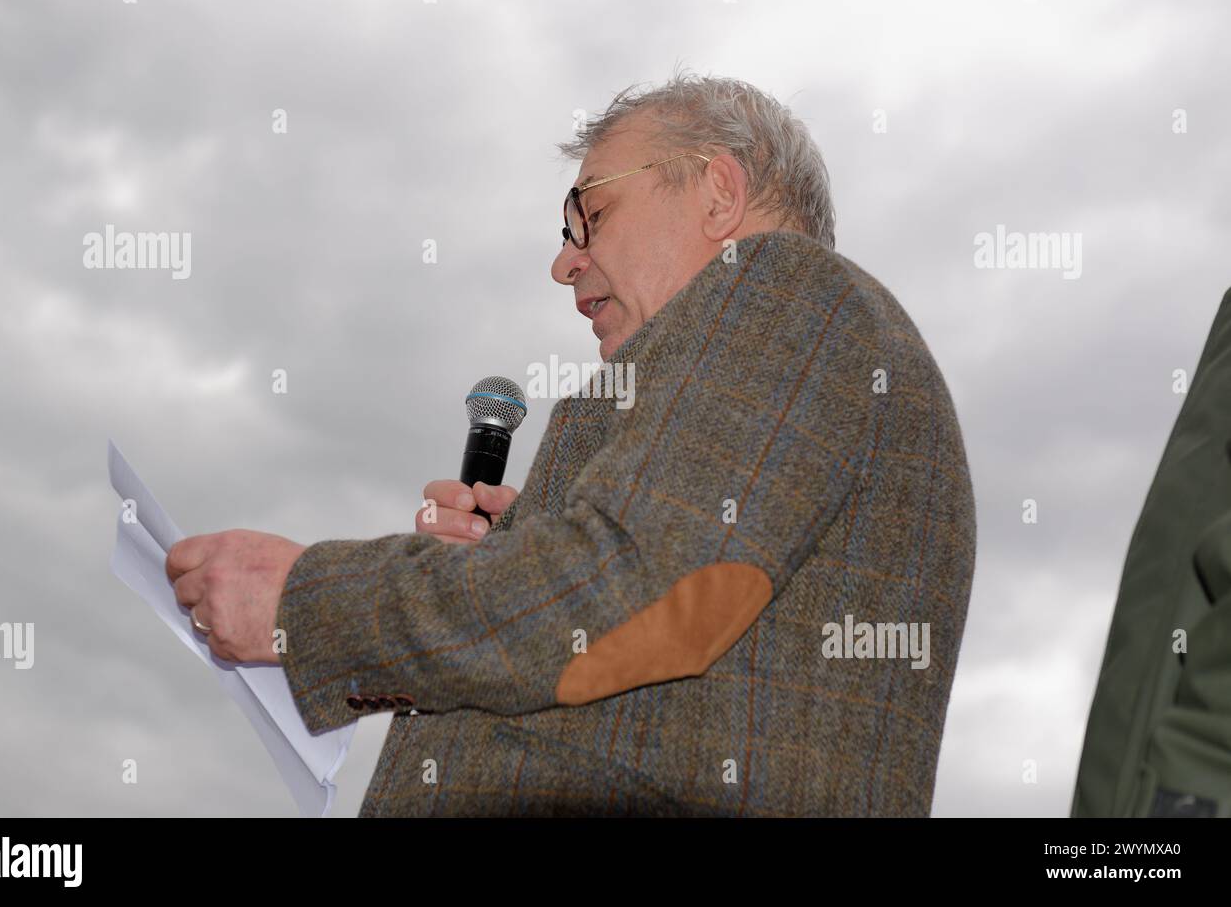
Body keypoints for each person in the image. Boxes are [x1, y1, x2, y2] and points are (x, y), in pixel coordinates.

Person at [166, 70, 977, 816]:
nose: (564, 262)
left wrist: (306, 603)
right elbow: (637, 614)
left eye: (591, 211)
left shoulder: (786, 286)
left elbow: (639, 598)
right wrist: (520, 559)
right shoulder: (800, 358)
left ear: (719, 194)